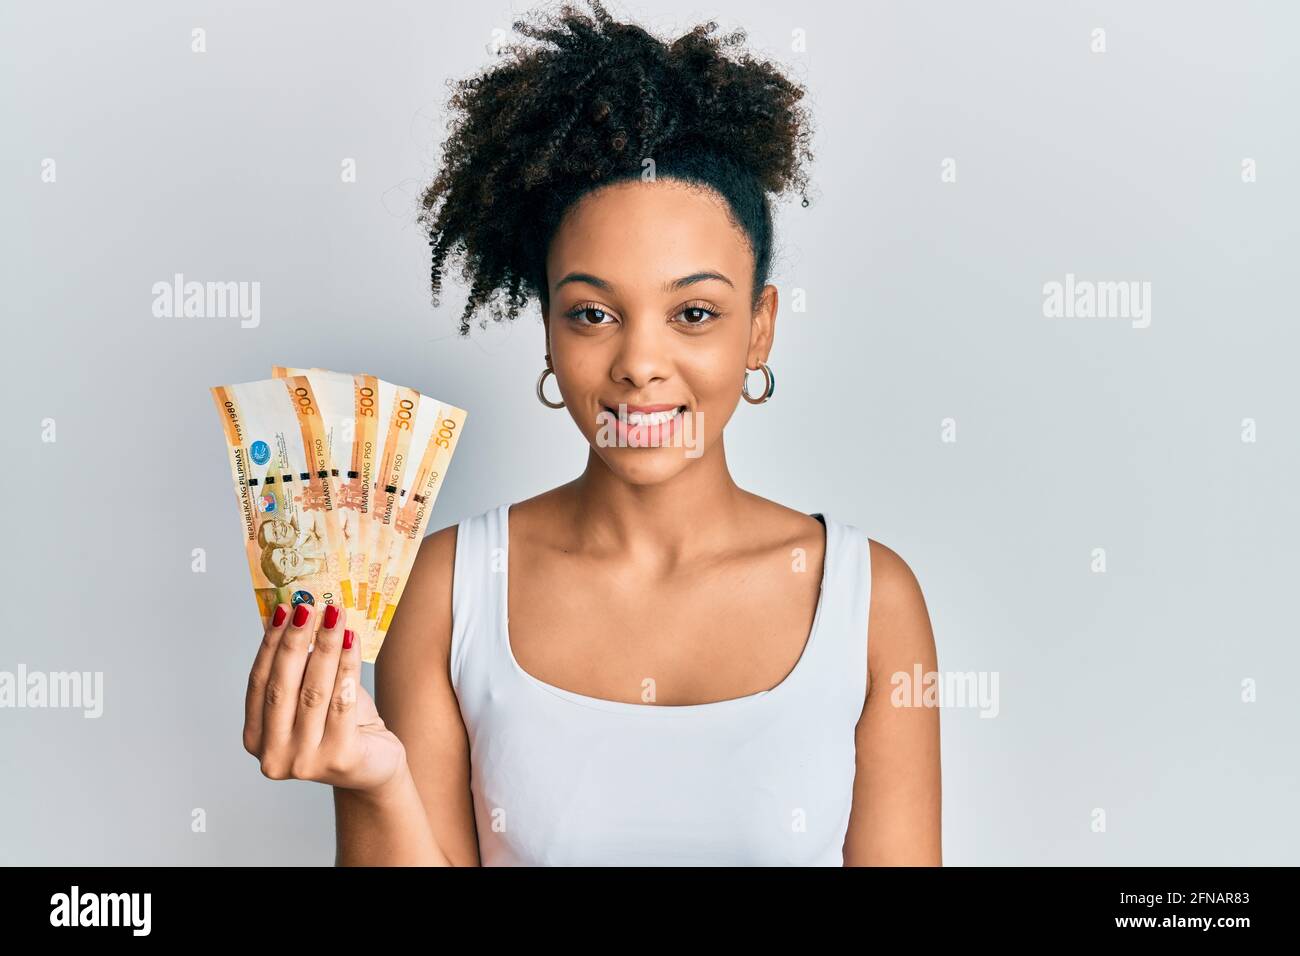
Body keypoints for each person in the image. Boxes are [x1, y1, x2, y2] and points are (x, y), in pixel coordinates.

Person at [243, 0, 941, 866]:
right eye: (593, 312)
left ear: (758, 328)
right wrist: (371, 782)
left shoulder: (872, 603)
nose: (640, 363)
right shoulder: (450, 591)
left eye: (693, 312)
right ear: (547, 328)